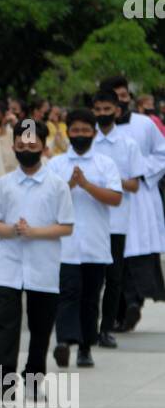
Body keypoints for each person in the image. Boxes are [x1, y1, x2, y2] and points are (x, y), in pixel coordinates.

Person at [0, 119, 74, 400]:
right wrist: (14, 229)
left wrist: (33, 232)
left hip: (43, 267)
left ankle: (34, 380)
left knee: (40, 328)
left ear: (44, 147)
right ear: (13, 146)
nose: (27, 149)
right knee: (6, 327)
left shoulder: (57, 185)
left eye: (32, 144)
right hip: (10, 267)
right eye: (21, 144)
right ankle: (5, 382)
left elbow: (66, 226)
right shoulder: (3, 185)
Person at [47, 109, 122, 369]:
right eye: (75, 130)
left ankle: (86, 348)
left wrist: (87, 185)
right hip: (65, 246)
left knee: (90, 298)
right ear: (68, 132)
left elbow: (116, 198)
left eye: (85, 131)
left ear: (94, 133)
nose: (80, 135)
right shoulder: (56, 164)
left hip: (95, 244)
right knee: (67, 293)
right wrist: (69, 184)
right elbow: (48, 199)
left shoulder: (105, 163)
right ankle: (64, 342)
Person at [100, 75, 165, 330]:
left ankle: (133, 303)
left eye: (125, 96)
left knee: (136, 253)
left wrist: (139, 171)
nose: (121, 101)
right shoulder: (96, 129)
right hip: (107, 201)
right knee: (113, 257)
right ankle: (120, 310)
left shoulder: (145, 125)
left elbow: (161, 153)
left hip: (137, 198)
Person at [92, 89, 143, 348]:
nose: (102, 115)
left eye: (107, 110)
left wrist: (112, 181)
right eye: (98, 110)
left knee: (113, 278)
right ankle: (88, 327)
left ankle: (107, 328)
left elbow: (134, 184)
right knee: (90, 277)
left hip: (116, 221)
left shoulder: (128, 145)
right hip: (89, 221)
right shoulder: (85, 140)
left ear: (118, 111)